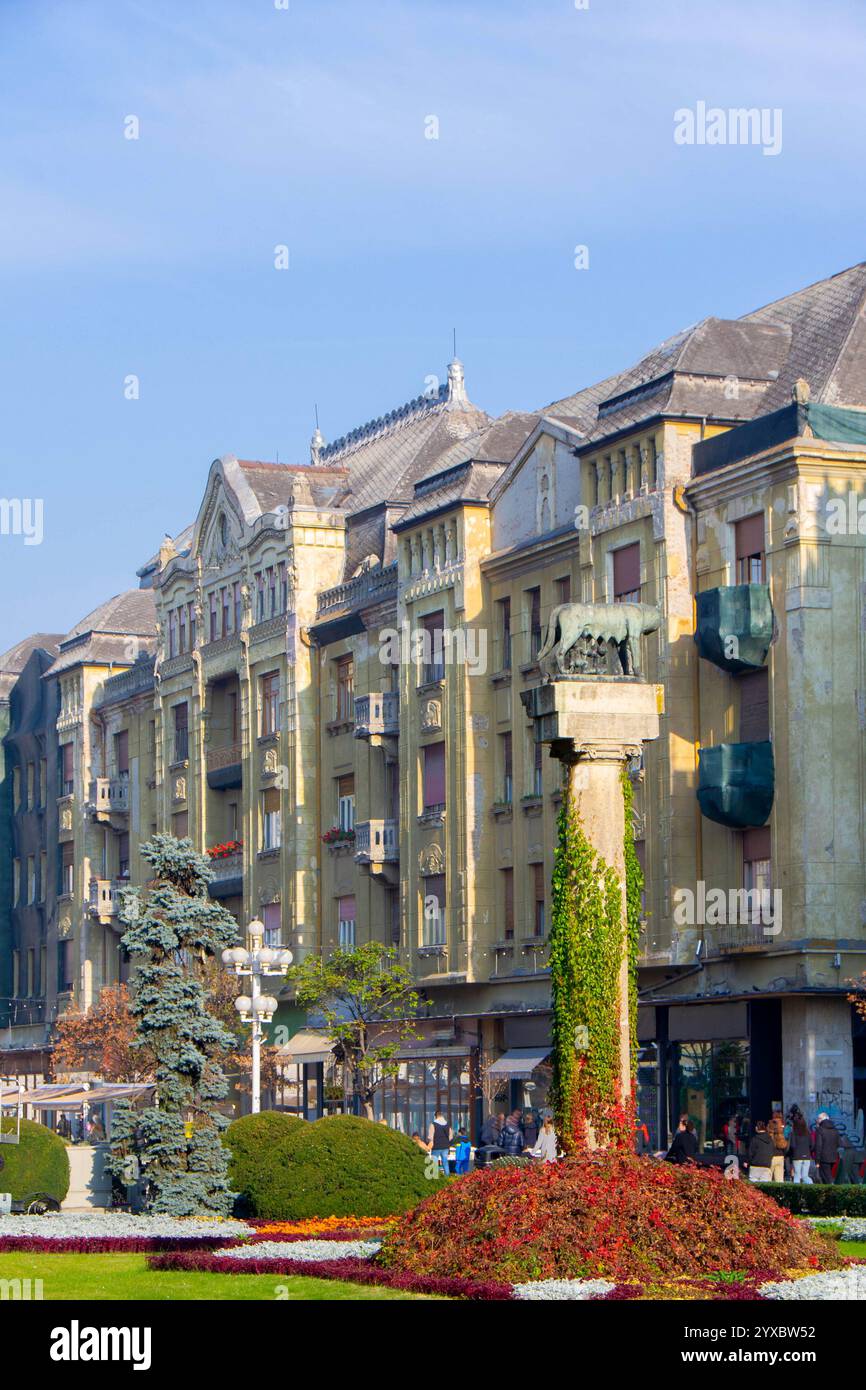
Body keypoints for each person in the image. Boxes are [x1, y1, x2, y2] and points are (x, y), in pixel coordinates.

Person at [814, 1112, 841, 1184]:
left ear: (821, 1119)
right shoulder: (835, 1130)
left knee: (826, 1178)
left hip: (823, 1158)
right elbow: (839, 1143)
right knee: (828, 1176)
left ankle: (832, 1192)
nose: (817, 1120)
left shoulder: (820, 1130)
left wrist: (817, 1161)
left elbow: (818, 1146)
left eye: (818, 1119)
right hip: (833, 1157)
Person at [789, 1112, 813, 1184]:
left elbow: (792, 1145)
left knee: (797, 1175)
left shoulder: (794, 1133)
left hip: (797, 1156)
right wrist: (808, 1151)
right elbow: (812, 1145)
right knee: (805, 1176)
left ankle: (797, 1192)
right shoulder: (808, 1133)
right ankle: (812, 1186)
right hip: (807, 1157)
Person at [427, 1110, 452, 1176]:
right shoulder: (447, 1124)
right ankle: (447, 1177)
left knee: (434, 1163)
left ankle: (435, 1178)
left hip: (436, 1146)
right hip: (445, 1147)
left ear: (436, 1116)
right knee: (445, 1162)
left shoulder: (433, 1124)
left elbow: (430, 1137)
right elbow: (451, 1136)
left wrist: (430, 1144)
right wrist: (445, 1140)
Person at [768, 1112, 787, 1183]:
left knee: (768, 1179)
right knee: (779, 1181)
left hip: (771, 1156)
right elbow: (784, 1144)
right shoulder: (783, 1127)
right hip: (780, 1155)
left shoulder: (770, 1125)